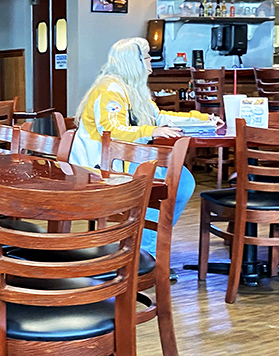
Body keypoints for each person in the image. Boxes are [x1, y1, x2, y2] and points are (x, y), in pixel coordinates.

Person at [69, 37, 222, 254]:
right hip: (99, 167)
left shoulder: (133, 88)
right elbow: (111, 132)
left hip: (123, 160)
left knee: (180, 179)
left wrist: (201, 119)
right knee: (164, 181)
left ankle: (145, 246)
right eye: (147, 57)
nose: (151, 62)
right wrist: (150, 131)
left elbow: (159, 117)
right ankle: (143, 251)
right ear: (133, 62)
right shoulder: (110, 90)